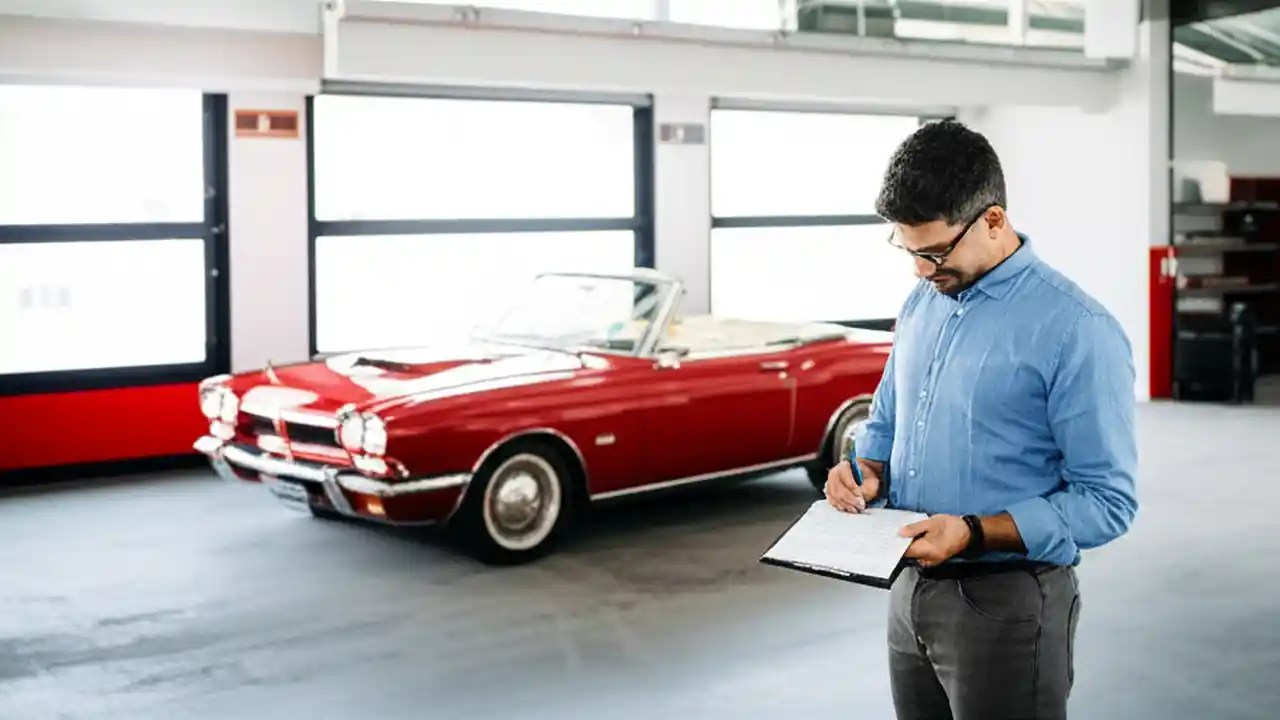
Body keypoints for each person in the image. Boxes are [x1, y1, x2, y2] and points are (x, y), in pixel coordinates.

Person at [824, 119, 1138, 720]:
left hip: (1008, 603)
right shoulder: (923, 302)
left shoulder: (1077, 331)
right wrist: (864, 471)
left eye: (935, 252)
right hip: (907, 587)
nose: (920, 270)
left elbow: (1108, 502)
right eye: (908, 250)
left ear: (993, 220)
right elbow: (887, 424)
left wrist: (971, 530)